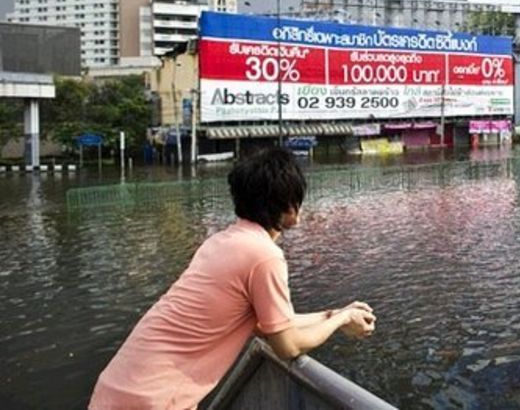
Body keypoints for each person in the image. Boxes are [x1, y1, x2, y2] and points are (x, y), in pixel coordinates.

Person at [89, 147, 376, 409]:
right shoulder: (264, 256)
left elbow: (270, 325)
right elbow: (287, 345)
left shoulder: (221, 242)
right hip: (152, 400)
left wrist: (336, 313)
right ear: (289, 205)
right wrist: (341, 321)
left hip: (118, 389)